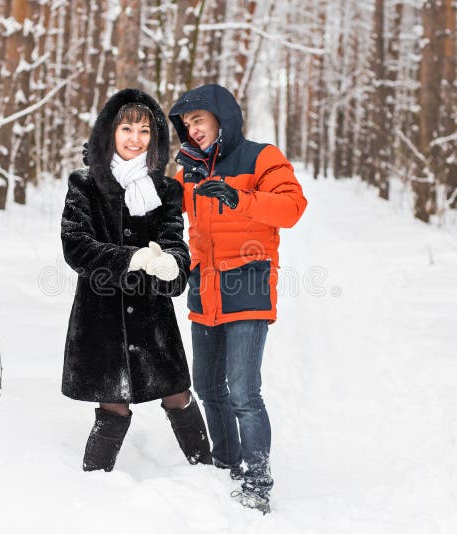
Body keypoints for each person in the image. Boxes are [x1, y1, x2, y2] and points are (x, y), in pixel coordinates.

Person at [168, 84, 307, 513]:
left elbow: (292, 207)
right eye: (186, 125)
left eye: (199, 120)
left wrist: (240, 198)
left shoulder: (260, 157)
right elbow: (151, 205)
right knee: (209, 386)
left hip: (247, 283)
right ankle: (226, 463)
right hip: (204, 287)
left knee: (244, 390)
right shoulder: (187, 170)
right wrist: (107, 168)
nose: (192, 131)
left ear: (221, 117)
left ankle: (257, 478)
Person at [61, 88, 212, 472]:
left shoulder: (164, 190)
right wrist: (132, 259)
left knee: (178, 395)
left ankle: (205, 470)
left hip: (152, 318)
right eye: (126, 128)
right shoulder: (85, 185)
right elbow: (76, 247)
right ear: (109, 132)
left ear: (155, 137)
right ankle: (92, 480)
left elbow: (175, 244)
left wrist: (172, 267)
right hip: (101, 319)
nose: (134, 138)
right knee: (113, 403)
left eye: (144, 131)